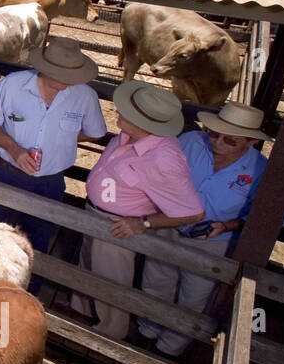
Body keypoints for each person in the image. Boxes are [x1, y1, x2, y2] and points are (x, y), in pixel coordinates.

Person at [137, 102, 284, 355]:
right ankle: (146, 332)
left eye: (230, 141)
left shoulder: (262, 171)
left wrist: (228, 225)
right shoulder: (190, 141)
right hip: (167, 225)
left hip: (214, 241)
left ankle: (169, 349)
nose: (217, 142)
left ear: (250, 142)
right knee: (155, 280)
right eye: (213, 133)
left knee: (194, 297)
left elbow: (280, 218)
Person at [70, 82, 204, 340]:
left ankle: (109, 333)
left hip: (116, 226)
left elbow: (193, 212)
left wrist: (142, 223)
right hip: (94, 213)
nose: (118, 111)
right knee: (88, 265)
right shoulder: (129, 136)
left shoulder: (164, 158)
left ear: (143, 123)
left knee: (111, 281)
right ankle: (82, 310)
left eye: (126, 111)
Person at [0, 37, 108, 256]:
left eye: (72, 77)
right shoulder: (12, 84)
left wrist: (62, 138)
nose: (67, 82)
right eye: (61, 76)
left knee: (37, 243)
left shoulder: (85, 95)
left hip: (50, 182)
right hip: (5, 173)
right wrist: (14, 149)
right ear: (44, 68)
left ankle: (30, 288)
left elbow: (96, 133)